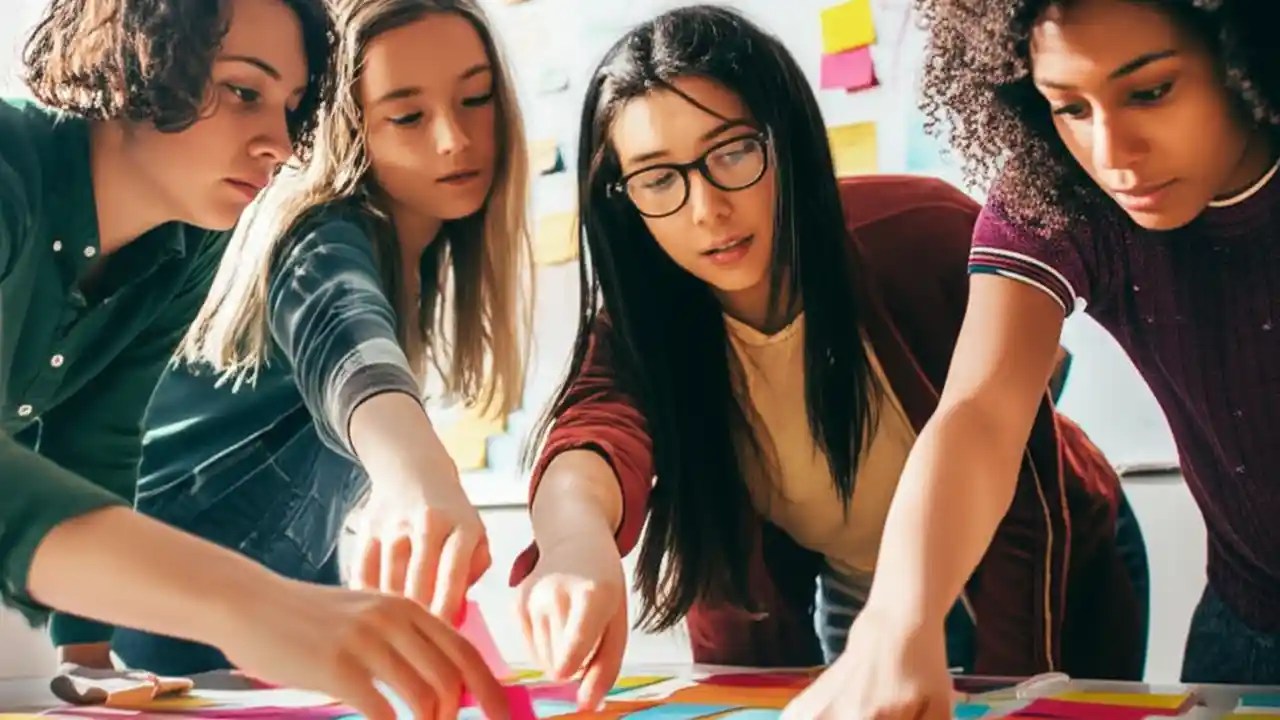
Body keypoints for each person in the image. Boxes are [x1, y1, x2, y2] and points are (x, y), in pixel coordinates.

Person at [507, 5, 1150, 713]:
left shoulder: (923, 235)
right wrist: (572, 544)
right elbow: (592, 435)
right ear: (622, 200)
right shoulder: (644, 325)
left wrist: (1008, 683)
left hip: (1054, 545)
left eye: (732, 153)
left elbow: (1024, 460)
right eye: (658, 178)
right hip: (860, 581)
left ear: (786, 139)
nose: (706, 209)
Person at [1, 1, 509, 717]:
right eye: (244, 91)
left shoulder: (190, 241)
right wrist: (250, 604)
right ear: (136, 60)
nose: (279, 142)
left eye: (291, 106)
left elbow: (99, 437)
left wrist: (87, 657)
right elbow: (343, 327)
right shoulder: (9, 171)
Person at [785, 0, 1280, 716]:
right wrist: (898, 621)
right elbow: (981, 412)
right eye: (1069, 106)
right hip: (1246, 627)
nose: (1112, 152)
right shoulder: (1058, 194)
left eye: (1151, 91)